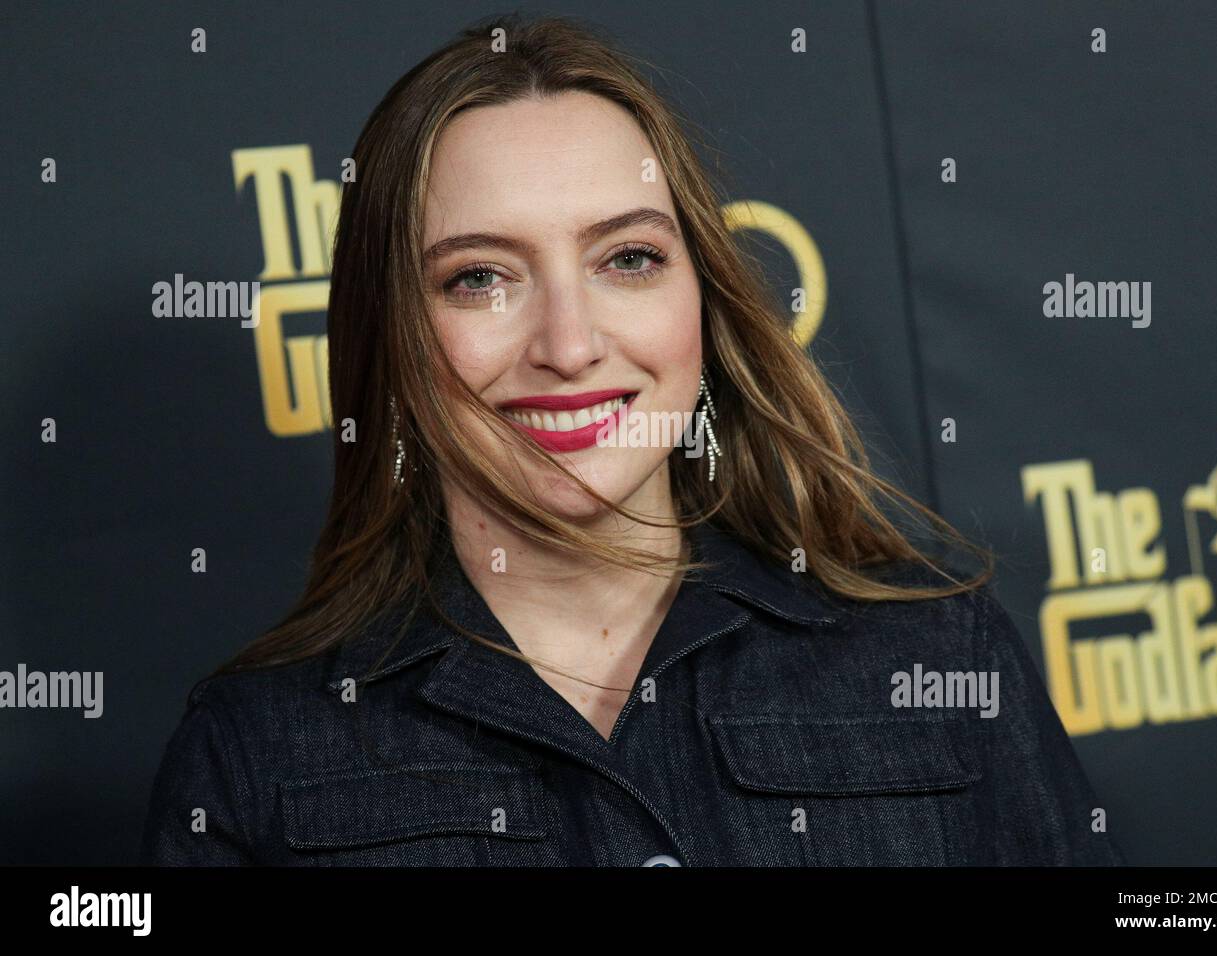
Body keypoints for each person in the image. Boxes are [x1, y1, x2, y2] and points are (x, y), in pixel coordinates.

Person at [139, 13, 1125, 867]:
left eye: (629, 258)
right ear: (388, 337)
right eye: (479, 276)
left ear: (703, 297)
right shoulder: (255, 752)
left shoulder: (939, 652)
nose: (569, 345)